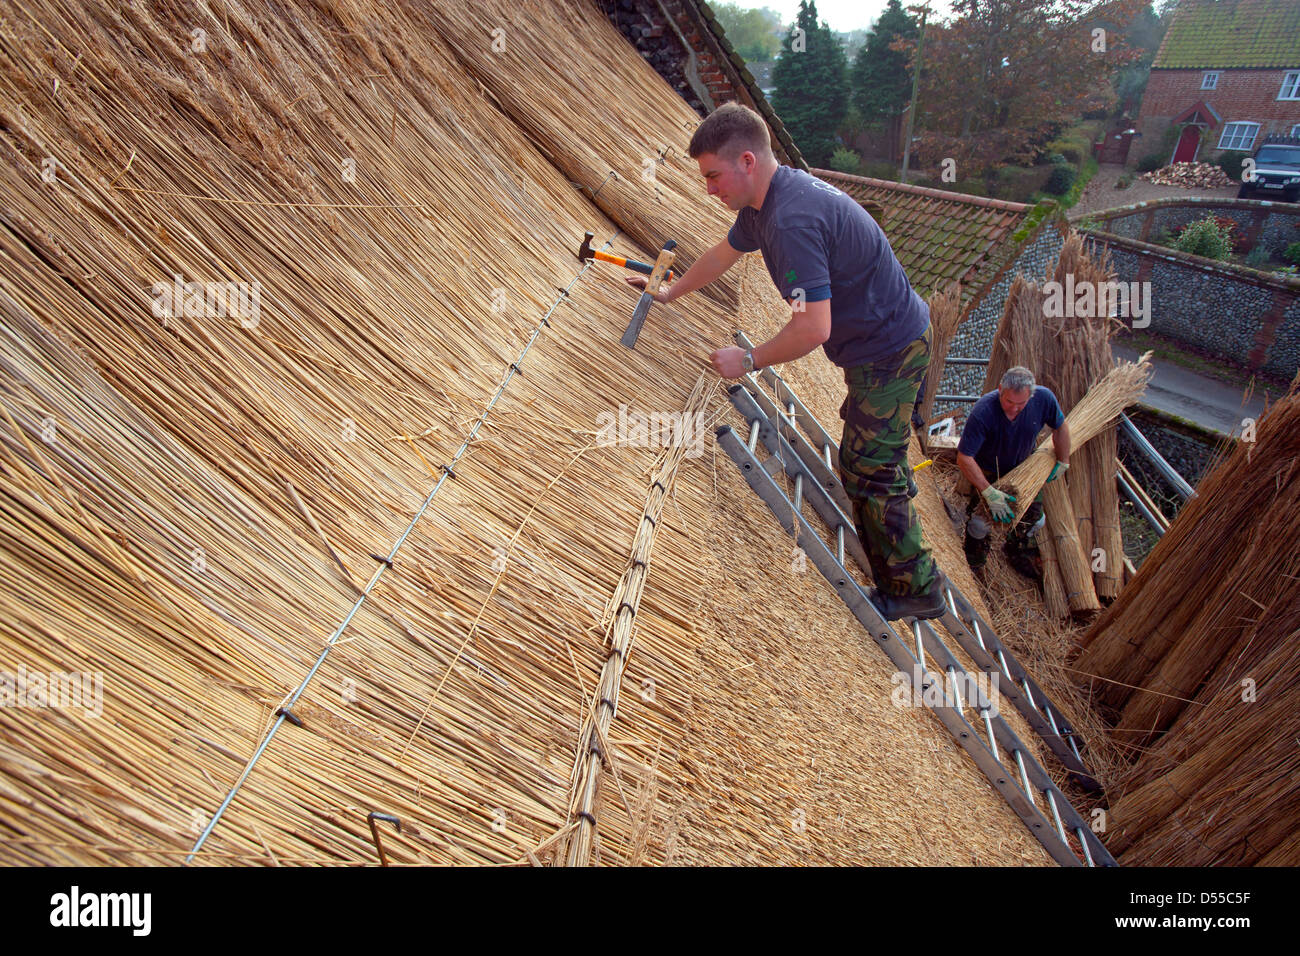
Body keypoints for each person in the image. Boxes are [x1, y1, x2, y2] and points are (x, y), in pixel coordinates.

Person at [625, 102, 945, 620]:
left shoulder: (790, 222)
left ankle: (916, 589)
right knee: (871, 452)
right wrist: (669, 292)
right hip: (882, 341)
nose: (709, 189)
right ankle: (900, 532)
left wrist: (748, 359)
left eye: (712, 176)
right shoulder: (765, 204)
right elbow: (720, 255)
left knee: (868, 465)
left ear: (747, 161)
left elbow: (812, 328)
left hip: (891, 349)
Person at [955, 366, 1071, 579]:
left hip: (1025, 469)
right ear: (1000, 390)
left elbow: (1061, 426)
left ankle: (1016, 548)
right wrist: (989, 492)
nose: (1014, 409)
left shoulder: (1044, 399)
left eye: (1021, 404)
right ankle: (974, 561)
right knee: (979, 525)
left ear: (1031, 396)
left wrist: (1064, 461)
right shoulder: (984, 412)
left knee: (1036, 521)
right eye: (1009, 402)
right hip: (989, 473)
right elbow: (964, 457)